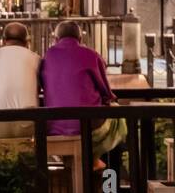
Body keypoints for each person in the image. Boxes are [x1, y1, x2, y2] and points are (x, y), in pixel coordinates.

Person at [40, 21, 125, 163]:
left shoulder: (47, 56)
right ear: (80, 39)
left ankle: (85, 171)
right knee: (118, 124)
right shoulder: (91, 55)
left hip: (55, 127)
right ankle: (110, 181)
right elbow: (107, 94)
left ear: (56, 39)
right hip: (87, 125)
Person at [0, 21, 40, 137]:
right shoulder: (35, 58)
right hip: (27, 118)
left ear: (4, 40)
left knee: (0, 153)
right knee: (28, 154)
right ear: (27, 42)